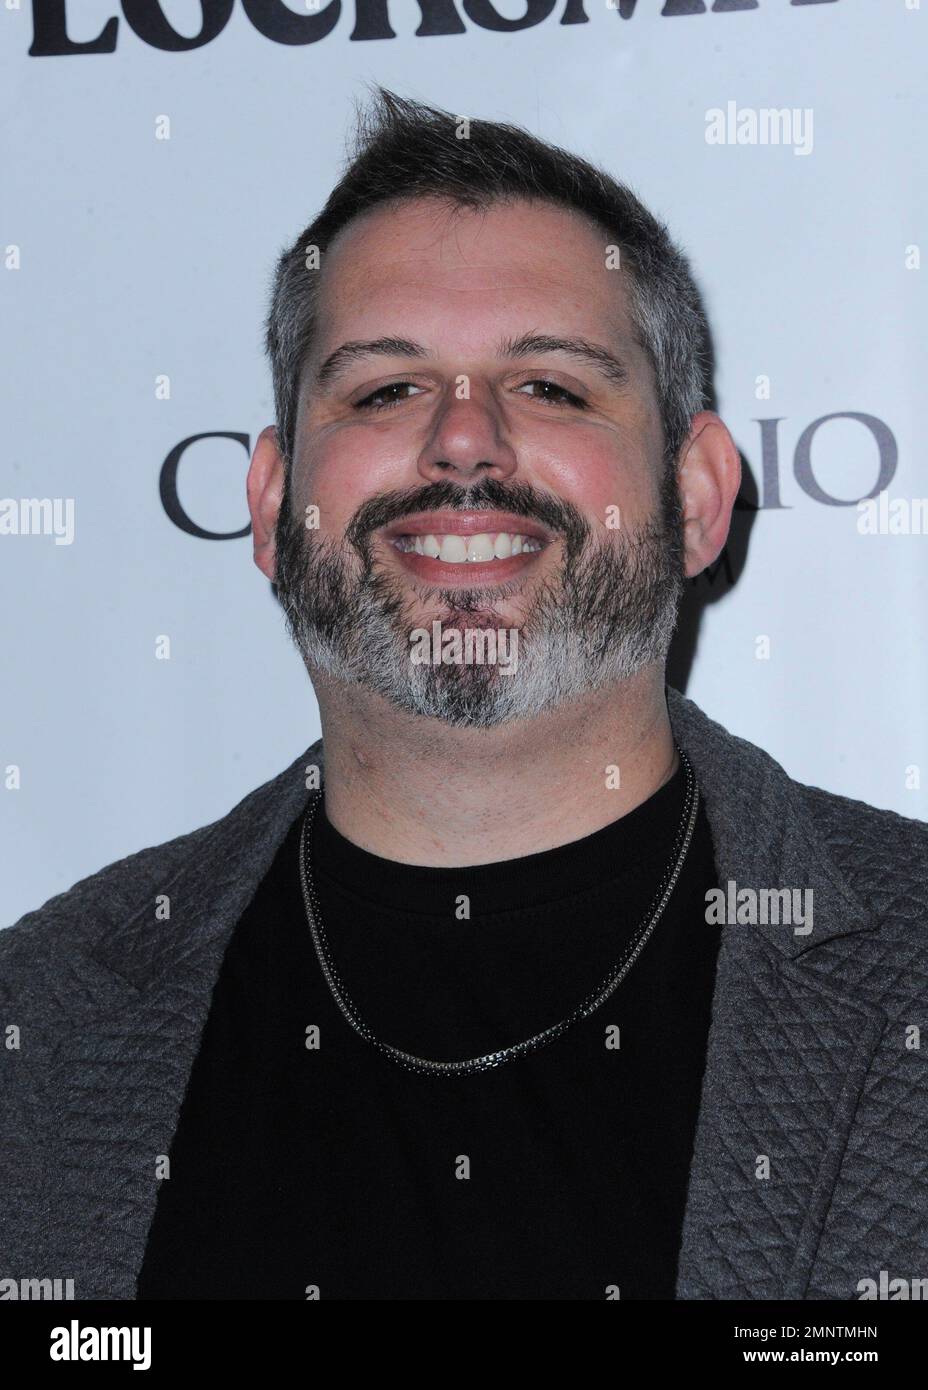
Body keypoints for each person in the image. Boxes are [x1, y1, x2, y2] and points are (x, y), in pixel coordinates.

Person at [2, 89, 926, 1303]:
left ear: (697, 496)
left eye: (549, 384)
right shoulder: (45, 1020)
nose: (463, 443)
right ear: (274, 507)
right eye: (384, 390)